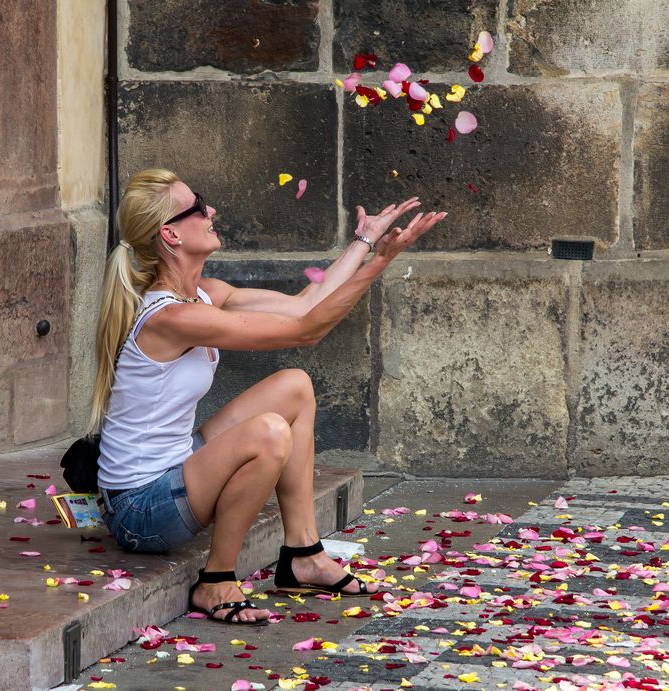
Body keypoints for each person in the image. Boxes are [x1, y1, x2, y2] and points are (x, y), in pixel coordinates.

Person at [88, 168, 446, 625]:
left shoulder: (204, 295)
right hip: (140, 509)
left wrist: (365, 240)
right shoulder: (171, 317)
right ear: (171, 234)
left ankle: (304, 553)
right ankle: (216, 580)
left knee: (293, 386)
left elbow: (303, 306)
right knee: (269, 433)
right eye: (197, 206)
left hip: (176, 465)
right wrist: (379, 264)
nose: (211, 210)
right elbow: (307, 331)